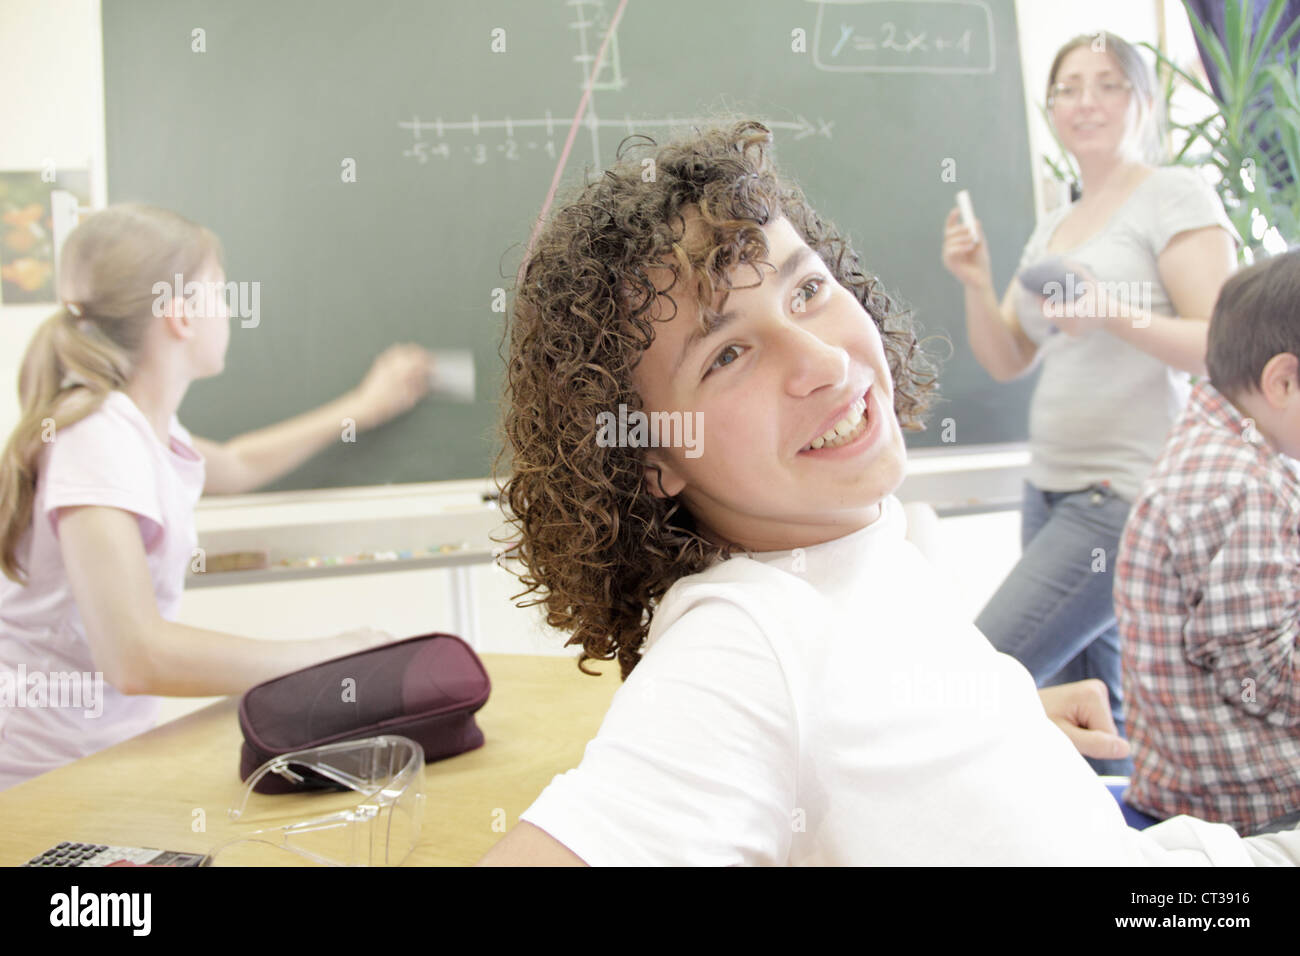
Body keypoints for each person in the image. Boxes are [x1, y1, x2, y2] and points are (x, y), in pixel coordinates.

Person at [477, 120, 1299, 865]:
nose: (826, 362)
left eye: (806, 291)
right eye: (726, 355)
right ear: (649, 457)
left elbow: (841, 723)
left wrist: (989, 722)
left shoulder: (847, 548)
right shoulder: (743, 643)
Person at [0, 203, 433, 790]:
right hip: (38, 785)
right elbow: (135, 655)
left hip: (91, 762)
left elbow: (235, 463)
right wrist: (328, 655)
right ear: (179, 314)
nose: (230, 310)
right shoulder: (95, 436)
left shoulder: (137, 426)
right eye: (220, 293)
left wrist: (365, 407)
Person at [940, 31, 1238, 774]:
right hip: (1048, 491)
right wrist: (976, 282)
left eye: (1106, 83)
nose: (1085, 101)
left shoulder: (1174, 194)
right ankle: (1122, 850)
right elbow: (1010, 357)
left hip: (1120, 495)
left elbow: (1223, 347)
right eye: (1068, 87)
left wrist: (1109, 310)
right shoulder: (1055, 223)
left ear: (1142, 99)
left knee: (987, 669)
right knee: (1094, 709)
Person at [1115, 249, 1300, 836]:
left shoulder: (1223, 452)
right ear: (1283, 380)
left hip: (1198, 784)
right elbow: (1265, 675)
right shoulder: (1242, 485)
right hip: (1251, 805)